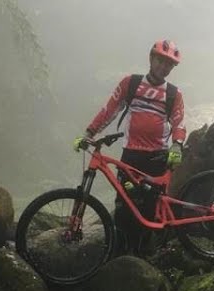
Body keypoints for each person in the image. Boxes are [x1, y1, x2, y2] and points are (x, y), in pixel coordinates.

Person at [77, 39, 186, 257]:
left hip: (157, 157)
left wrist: (177, 145)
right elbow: (109, 110)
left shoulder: (174, 94)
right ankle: (119, 254)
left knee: (150, 207)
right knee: (124, 204)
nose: (163, 67)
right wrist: (89, 133)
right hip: (131, 155)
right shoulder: (131, 84)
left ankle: (143, 257)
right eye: (160, 61)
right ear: (151, 58)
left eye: (169, 64)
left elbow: (179, 122)